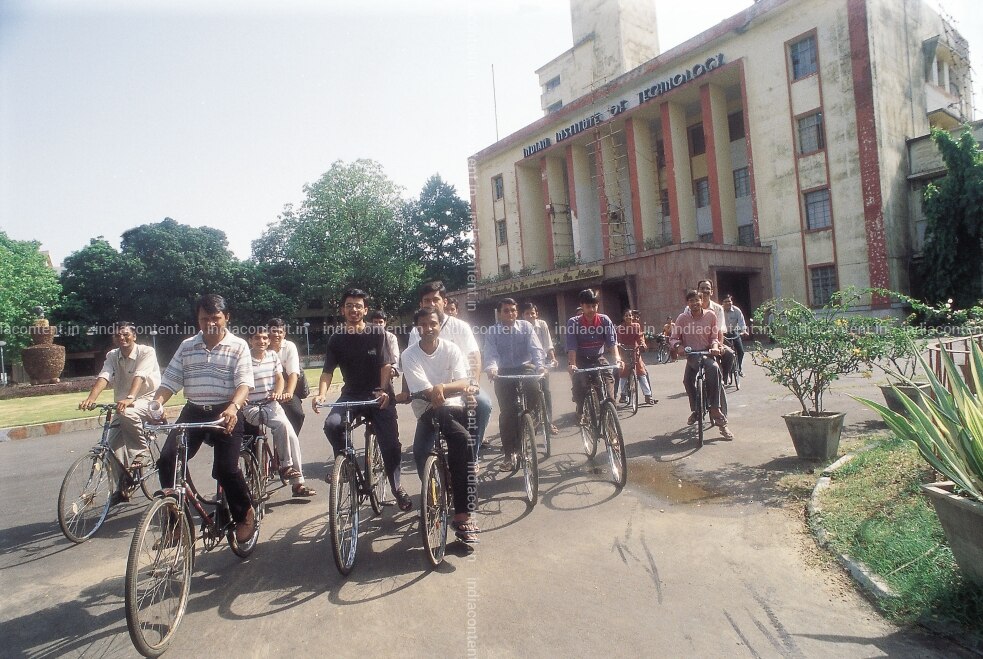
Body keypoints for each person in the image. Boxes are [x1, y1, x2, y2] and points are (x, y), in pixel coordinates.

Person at [152, 294, 256, 543]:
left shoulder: (239, 345)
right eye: (204, 318)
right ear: (198, 320)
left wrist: (233, 406)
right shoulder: (187, 346)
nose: (210, 323)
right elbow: (171, 380)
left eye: (215, 318)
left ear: (226, 318)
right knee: (167, 461)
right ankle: (176, 523)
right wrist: (157, 402)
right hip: (194, 411)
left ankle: (245, 513)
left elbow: (244, 383)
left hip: (226, 412)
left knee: (225, 469)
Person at [312, 289, 411, 511]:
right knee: (332, 425)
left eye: (358, 306)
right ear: (343, 310)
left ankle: (396, 488)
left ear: (365, 310)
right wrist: (321, 393)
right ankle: (346, 463)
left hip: (378, 393)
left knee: (390, 443)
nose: (354, 310)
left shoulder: (377, 333)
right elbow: (327, 371)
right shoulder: (336, 338)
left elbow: (386, 365)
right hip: (352, 394)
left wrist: (383, 389)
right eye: (349, 305)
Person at [397, 306, 480, 544]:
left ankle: (463, 514)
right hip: (426, 411)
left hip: (452, 408)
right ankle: (434, 494)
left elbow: (464, 381)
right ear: (417, 328)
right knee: (421, 451)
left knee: (462, 442)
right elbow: (421, 389)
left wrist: (443, 388)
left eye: (433, 324)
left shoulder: (451, 349)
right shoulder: (409, 355)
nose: (428, 329)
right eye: (422, 325)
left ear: (439, 325)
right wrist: (441, 388)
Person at [78, 321, 161, 502]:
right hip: (123, 405)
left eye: (125, 334)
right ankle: (124, 485)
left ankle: (142, 451)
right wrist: (91, 398)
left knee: (127, 413)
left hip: (146, 401)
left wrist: (131, 397)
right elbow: (104, 376)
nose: (121, 338)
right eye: (117, 335)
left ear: (134, 335)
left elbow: (140, 375)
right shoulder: (112, 355)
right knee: (111, 447)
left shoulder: (146, 352)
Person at [407, 280, 492, 448]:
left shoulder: (461, 327)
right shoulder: (417, 331)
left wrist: (473, 386)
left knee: (483, 404)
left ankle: (472, 455)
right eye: (426, 301)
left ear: (444, 302)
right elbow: (411, 361)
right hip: (429, 388)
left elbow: (474, 356)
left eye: (435, 299)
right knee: (424, 447)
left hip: (460, 385)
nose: (431, 304)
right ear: (420, 304)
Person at [244, 326, 315, 497]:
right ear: (250, 341)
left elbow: (281, 378)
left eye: (264, 338)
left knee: (289, 433)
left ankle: (293, 477)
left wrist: (279, 391)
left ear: (268, 341)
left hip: (271, 403)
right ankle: (253, 479)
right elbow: (237, 380)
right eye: (256, 338)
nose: (261, 341)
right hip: (251, 405)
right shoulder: (243, 358)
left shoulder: (273, 355)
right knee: (246, 441)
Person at [484, 298, 546, 471]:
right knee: (508, 413)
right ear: (499, 313)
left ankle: (530, 417)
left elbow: (535, 348)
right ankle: (509, 453)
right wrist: (492, 368)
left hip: (524, 367)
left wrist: (540, 366)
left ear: (517, 312)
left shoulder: (526, 327)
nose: (510, 313)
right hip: (503, 371)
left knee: (534, 388)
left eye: (513, 310)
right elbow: (490, 354)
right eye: (506, 310)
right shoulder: (493, 331)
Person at [669, 289, 734, 440]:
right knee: (687, 380)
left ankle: (717, 412)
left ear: (702, 300)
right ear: (687, 303)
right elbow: (673, 338)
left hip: (707, 353)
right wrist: (678, 347)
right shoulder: (682, 318)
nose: (694, 303)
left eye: (697, 300)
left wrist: (716, 347)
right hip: (691, 355)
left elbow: (714, 336)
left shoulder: (711, 315)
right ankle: (696, 410)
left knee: (714, 369)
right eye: (691, 301)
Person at [565, 289, 621, 417]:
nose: (591, 309)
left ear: (598, 305)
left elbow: (612, 342)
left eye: (594, 306)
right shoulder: (573, 322)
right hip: (581, 359)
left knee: (608, 386)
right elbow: (571, 346)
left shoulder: (604, 320)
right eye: (588, 306)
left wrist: (617, 358)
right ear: (582, 306)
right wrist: (572, 364)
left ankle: (610, 424)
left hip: (598, 357)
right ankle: (580, 408)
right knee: (581, 387)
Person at [520, 302, 559, 434]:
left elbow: (548, 343)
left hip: (541, 361)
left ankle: (548, 423)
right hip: (527, 363)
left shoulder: (542, 325)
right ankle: (531, 418)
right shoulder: (520, 326)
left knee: (546, 391)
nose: (530, 316)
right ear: (522, 315)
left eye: (532, 313)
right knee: (530, 390)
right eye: (527, 313)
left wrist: (552, 358)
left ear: (537, 314)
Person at [267, 318, 306, 436]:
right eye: (274, 331)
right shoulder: (262, 344)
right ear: (268, 332)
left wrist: (288, 393)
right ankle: (250, 451)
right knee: (247, 417)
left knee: (297, 413)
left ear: (284, 334)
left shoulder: (289, 347)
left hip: (287, 388)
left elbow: (293, 373)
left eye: (280, 332)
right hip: (266, 390)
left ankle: (290, 439)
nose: (277, 335)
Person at [694, 278, 737, 379]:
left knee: (729, 354)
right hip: (696, 342)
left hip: (715, 340)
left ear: (712, 292)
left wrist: (720, 346)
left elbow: (719, 329)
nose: (704, 291)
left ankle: (724, 377)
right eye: (702, 288)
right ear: (697, 290)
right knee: (689, 378)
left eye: (707, 288)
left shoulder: (718, 308)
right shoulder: (690, 308)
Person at [616, 309, 655, 406]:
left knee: (641, 372)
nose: (628, 317)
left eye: (630, 315)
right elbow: (618, 340)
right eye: (626, 316)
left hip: (635, 350)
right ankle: (623, 394)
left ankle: (648, 395)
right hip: (624, 351)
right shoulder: (620, 328)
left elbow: (640, 337)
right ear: (623, 317)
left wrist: (642, 344)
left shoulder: (636, 326)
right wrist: (618, 345)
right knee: (623, 373)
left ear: (632, 317)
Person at [721, 295, 749, 376]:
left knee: (741, 351)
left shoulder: (737, 310)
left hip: (734, 332)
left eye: (729, 301)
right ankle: (725, 371)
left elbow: (741, 322)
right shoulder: (720, 310)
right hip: (723, 334)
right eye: (725, 301)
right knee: (725, 354)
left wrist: (744, 331)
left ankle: (739, 369)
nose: (728, 303)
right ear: (722, 303)